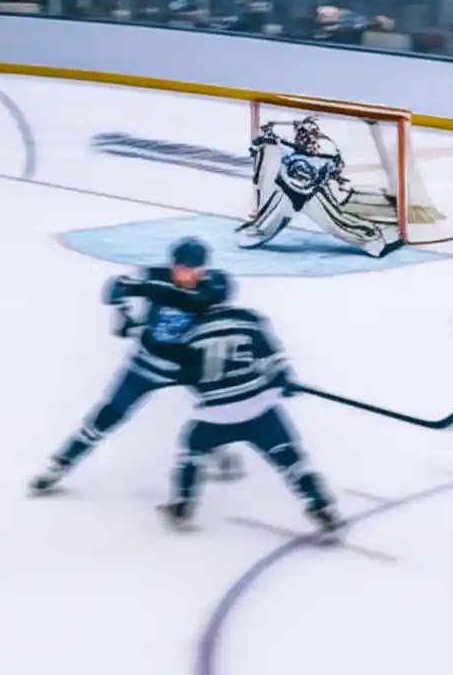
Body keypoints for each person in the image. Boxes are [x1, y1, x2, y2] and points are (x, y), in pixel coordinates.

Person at [30, 237, 240, 493]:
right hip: (147, 363)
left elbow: (195, 301)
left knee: (218, 408)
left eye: (194, 269)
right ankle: (62, 463)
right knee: (110, 412)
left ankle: (222, 452)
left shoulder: (215, 285)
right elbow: (118, 303)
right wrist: (123, 313)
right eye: (182, 267)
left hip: (189, 364)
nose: (187, 274)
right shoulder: (152, 276)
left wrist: (139, 291)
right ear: (172, 264)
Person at [158, 302, 343, 538]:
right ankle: (323, 509)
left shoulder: (188, 330)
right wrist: (284, 381)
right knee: (291, 460)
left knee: (192, 452)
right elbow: (274, 359)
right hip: (258, 410)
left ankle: (182, 507)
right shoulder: (247, 320)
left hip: (215, 415)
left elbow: (183, 373)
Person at [237, 117, 403, 258]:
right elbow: (263, 159)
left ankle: (376, 243)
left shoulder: (328, 149)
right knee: (261, 229)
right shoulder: (281, 137)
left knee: (336, 223)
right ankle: (248, 234)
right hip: (287, 189)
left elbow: (335, 170)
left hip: (310, 192)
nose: (309, 140)